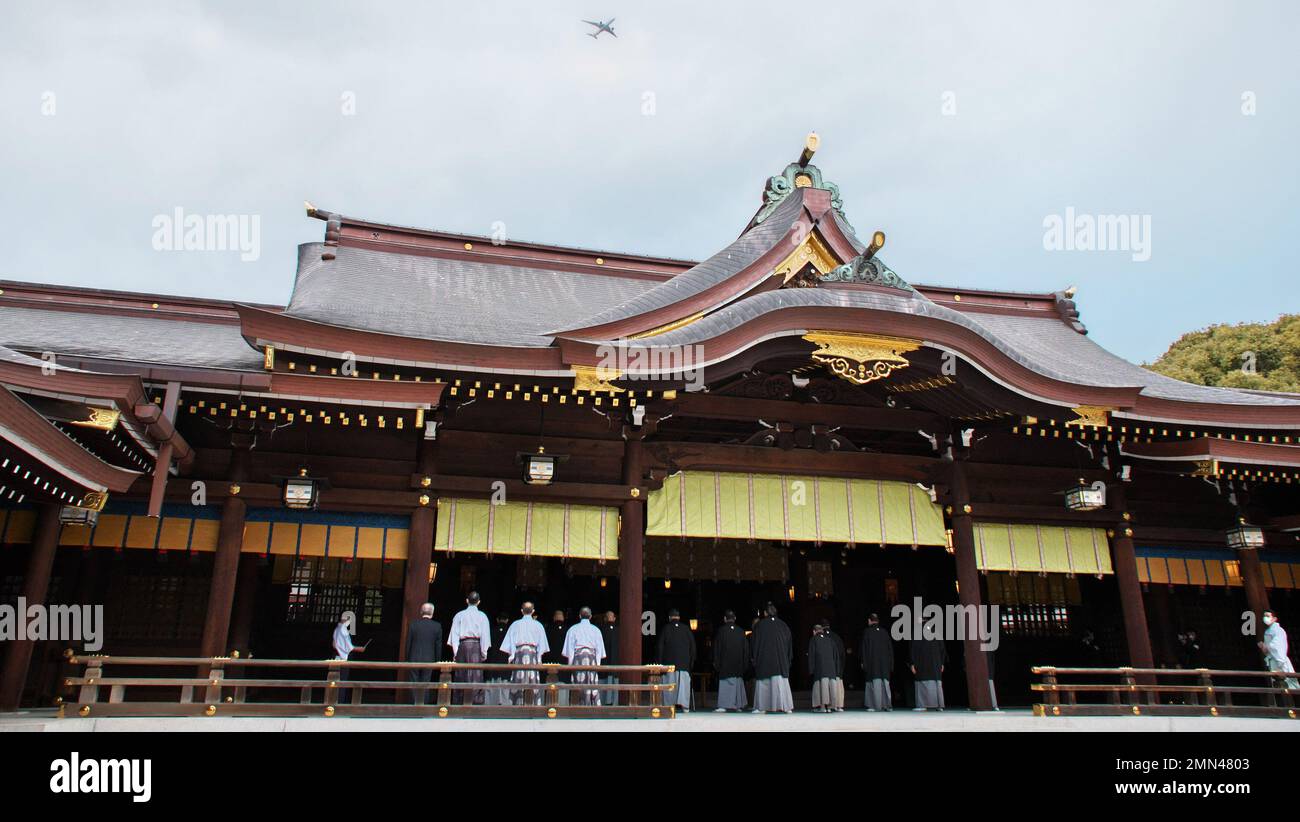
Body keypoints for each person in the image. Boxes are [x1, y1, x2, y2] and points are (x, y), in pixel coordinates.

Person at [500, 602, 550, 705]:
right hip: (532, 655)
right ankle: (533, 704)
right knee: (532, 680)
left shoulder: (515, 624)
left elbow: (510, 643)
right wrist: (539, 658)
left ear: (522, 611)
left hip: (519, 654)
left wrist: (512, 655)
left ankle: (517, 704)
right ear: (533, 611)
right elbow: (542, 645)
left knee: (519, 680)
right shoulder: (538, 625)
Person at [447, 591, 491, 705]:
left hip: (462, 646)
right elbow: (485, 636)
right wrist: (484, 652)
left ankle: (459, 702)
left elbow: (455, 635)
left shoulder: (459, 615)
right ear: (479, 602)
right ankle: (475, 702)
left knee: (461, 674)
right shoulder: (482, 616)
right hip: (476, 646)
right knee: (475, 675)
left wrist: (456, 652)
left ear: (467, 601)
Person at [750, 603, 794, 714]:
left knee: (764, 684)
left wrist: (754, 658)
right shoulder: (784, 625)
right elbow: (789, 645)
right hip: (781, 661)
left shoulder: (760, 625)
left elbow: (754, 644)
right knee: (781, 683)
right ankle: (785, 706)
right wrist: (788, 659)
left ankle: (762, 707)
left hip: (764, 661)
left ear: (765, 613)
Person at [562, 606, 607, 706]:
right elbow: (599, 649)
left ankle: (577, 706)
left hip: (578, 659)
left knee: (578, 684)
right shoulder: (596, 630)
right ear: (590, 616)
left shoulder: (573, 629)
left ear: (579, 616)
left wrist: (570, 664)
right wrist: (597, 664)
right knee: (592, 684)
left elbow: (570, 649)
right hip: (592, 660)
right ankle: (592, 707)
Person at [657, 609, 696, 713]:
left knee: (669, 685)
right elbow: (693, 647)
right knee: (683, 687)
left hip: (669, 663)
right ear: (679, 617)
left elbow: (660, 647)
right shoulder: (686, 629)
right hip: (684, 664)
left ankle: (669, 706)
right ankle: (685, 707)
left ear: (670, 617)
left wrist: (660, 664)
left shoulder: (666, 629)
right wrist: (691, 663)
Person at [406, 602, 443, 705]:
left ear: (421, 612)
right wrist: (438, 660)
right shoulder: (437, 626)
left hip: (414, 658)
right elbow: (438, 645)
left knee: (414, 683)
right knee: (426, 683)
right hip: (429, 659)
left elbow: (408, 643)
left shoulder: (413, 624)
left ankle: (414, 705)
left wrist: (407, 658)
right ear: (432, 613)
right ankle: (423, 706)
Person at [712, 610, 749, 712]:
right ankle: (738, 705)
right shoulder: (741, 631)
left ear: (725, 619)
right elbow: (746, 650)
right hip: (738, 664)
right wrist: (745, 664)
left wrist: (716, 662)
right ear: (735, 618)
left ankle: (724, 705)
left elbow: (717, 648)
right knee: (737, 683)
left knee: (725, 683)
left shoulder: (721, 631)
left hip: (725, 664)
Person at [859, 613, 893, 711]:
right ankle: (887, 705)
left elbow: (864, 649)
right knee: (885, 683)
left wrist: (863, 661)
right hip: (885, 664)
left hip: (872, 663)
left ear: (869, 621)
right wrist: (891, 663)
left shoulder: (867, 632)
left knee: (873, 683)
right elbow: (890, 649)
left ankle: (874, 705)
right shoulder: (884, 632)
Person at [1258, 610, 1299, 690]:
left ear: (1274, 618)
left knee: (1288, 685)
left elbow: (1277, 647)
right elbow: (1268, 651)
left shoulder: (1278, 630)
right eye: (1264, 616)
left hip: (1279, 661)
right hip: (1273, 661)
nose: (1265, 618)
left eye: (1268, 616)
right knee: (1277, 685)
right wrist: (1263, 647)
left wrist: (1266, 646)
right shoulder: (1268, 631)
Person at [809, 621, 843, 713]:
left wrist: (811, 669)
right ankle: (830, 707)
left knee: (821, 688)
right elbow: (836, 656)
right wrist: (837, 670)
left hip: (820, 670)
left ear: (814, 631)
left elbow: (811, 655)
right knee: (831, 688)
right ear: (822, 631)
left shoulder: (814, 640)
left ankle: (823, 707)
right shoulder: (830, 640)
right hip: (832, 670)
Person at [332, 611, 366, 703]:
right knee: (342, 681)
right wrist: (359, 649)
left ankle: (337, 701)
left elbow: (335, 645)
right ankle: (339, 702)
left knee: (338, 680)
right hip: (343, 658)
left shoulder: (338, 629)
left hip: (339, 656)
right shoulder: (342, 629)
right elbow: (347, 646)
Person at [910, 635, 947, 711]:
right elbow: (942, 649)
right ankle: (939, 705)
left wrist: (912, 663)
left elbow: (912, 649)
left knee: (922, 681)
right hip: (935, 663)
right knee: (936, 682)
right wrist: (942, 662)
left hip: (922, 662)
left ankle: (922, 705)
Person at [484, 612, 511, 706]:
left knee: (491, 680)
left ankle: (489, 702)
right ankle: (504, 702)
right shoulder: (509, 631)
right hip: (505, 659)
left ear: (497, 620)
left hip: (492, 658)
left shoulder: (490, 630)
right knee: (504, 681)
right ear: (507, 620)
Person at [546, 609, 569, 706]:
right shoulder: (568, 629)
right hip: (564, 661)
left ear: (554, 618)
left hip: (550, 661)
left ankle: (549, 704)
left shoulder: (548, 629)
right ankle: (564, 704)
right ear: (563, 618)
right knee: (564, 682)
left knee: (550, 683)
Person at [825, 619, 847, 712]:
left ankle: (830, 705)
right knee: (838, 685)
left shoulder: (823, 637)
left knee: (828, 686)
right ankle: (839, 706)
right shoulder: (837, 637)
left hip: (828, 667)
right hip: (838, 665)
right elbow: (842, 653)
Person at [599, 611, 620, 706]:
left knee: (603, 681)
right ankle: (614, 703)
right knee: (613, 680)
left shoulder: (601, 630)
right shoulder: (618, 630)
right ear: (614, 619)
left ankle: (602, 702)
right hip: (615, 662)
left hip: (603, 661)